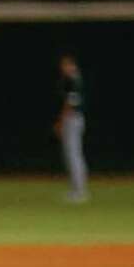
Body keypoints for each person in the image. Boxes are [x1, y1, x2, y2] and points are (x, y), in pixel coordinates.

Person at [54, 53, 89, 203]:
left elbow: (70, 104)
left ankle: (80, 191)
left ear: (72, 65)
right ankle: (76, 189)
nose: (63, 69)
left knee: (74, 155)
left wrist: (61, 122)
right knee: (72, 155)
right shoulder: (74, 79)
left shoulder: (74, 81)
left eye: (66, 65)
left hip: (73, 119)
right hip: (74, 119)